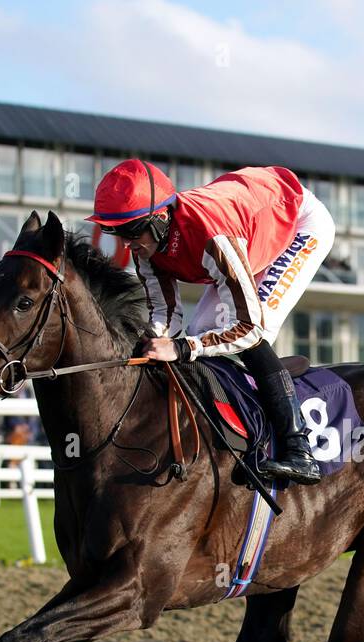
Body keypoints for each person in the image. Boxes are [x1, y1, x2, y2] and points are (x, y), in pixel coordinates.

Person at [86, 160, 336, 485]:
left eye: (131, 231)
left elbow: (248, 329)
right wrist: (154, 342)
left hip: (298, 225)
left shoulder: (212, 237)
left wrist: (181, 347)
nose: (127, 243)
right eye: (116, 232)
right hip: (250, 226)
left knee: (250, 335)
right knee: (197, 335)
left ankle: (298, 449)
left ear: (161, 218)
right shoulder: (145, 245)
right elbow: (165, 315)